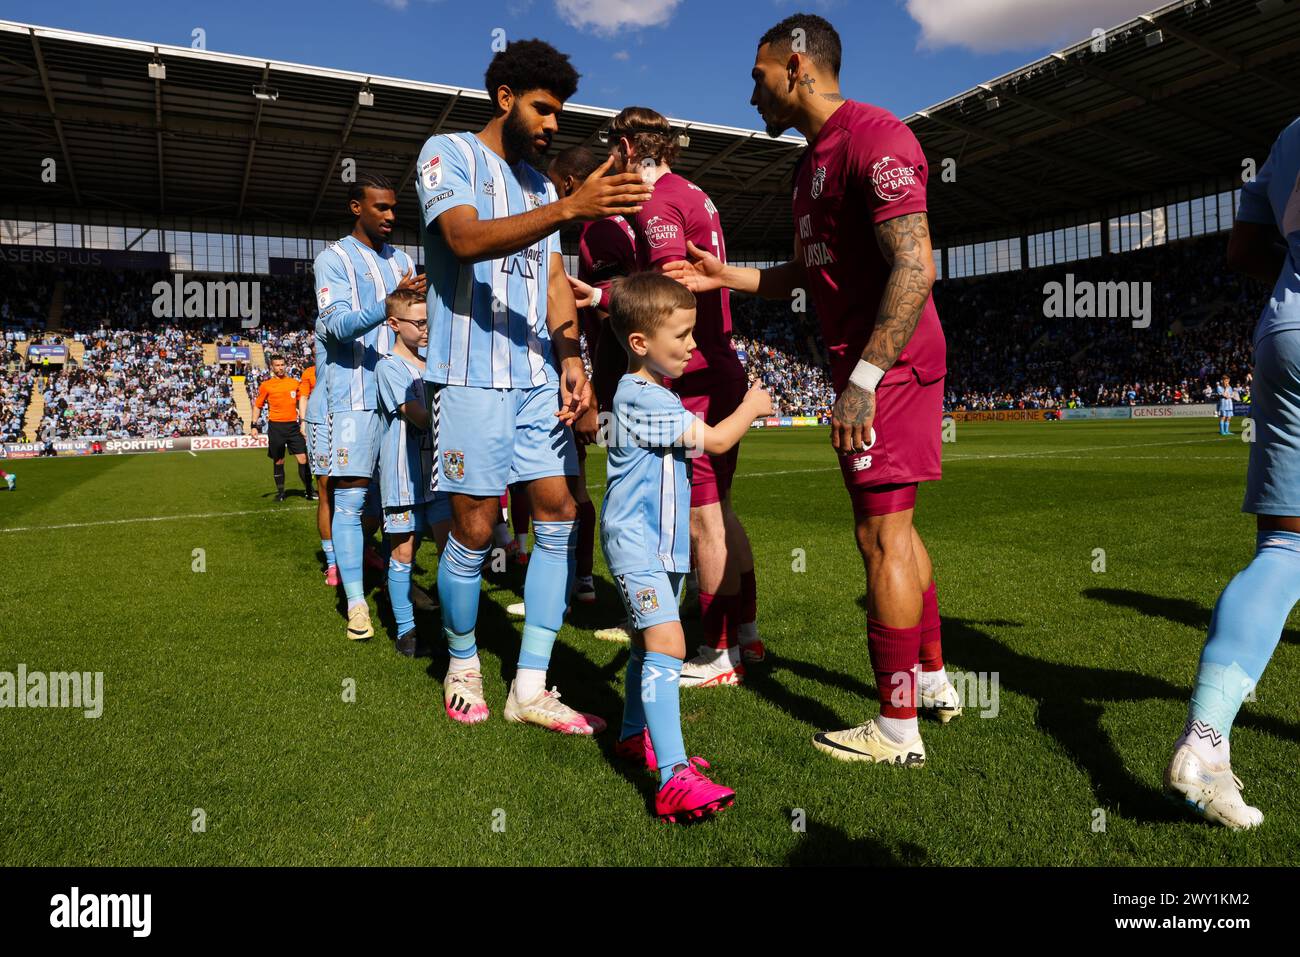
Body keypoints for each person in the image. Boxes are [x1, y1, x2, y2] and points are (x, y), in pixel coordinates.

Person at [666, 14, 963, 764]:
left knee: (879, 536)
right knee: (896, 522)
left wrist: (864, 378)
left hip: (885, 366)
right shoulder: (807, 166)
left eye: (759, 75)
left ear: (796, 66)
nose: (752, 92)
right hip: (866, 363)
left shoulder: (878, 138)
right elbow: (804, 273)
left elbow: (915, 266)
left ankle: (896, 730)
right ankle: (931, 678)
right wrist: (721, 274)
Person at [414, 38, 651, 732]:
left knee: (558, 514)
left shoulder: (543, 187)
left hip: (535, 379)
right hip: (468, 378)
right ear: (505, 98)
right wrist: (571, 211)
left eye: (560, 114)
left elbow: (552, 283)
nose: (553, 126)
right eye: (544, 110)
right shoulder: (446, 154)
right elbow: (461, 239)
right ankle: (461, 662)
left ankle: (530, 683)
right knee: (477, 526)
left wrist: (572, 359)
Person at [1164, 114, 1300, 829]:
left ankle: (1208, 742)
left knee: (1284, 550)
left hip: (1287, 329)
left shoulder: (1289, 136)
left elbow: (1243, 247)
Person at [602, 271, 772, 821]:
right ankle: (674, 777)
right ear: (640, 344)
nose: (693, 345)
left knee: (647, 645)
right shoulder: (640, 395)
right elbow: (719, 440)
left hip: (663, 545)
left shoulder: (652, 393)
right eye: (682, 335)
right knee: (670, 645)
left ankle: (633, 735)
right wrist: (752, 404)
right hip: (637, 544)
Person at [612, 105, 763, 685]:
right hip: (718, 363)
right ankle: (745, 636)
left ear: (627, 148)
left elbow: (672, 280)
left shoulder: (656, 201)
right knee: (721, 511)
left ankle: (718, 652)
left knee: (703, 518)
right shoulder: (693, 191)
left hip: (697, 371)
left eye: (613, 149)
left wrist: (607, 300)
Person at [314, 172, 425, 641]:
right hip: (354, 395)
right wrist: (389, 304)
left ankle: (399, 577)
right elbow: (336, 326)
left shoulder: (402, 258)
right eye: (381, 208)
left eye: (395, 209)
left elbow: (414, 318)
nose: (391, 217)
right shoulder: (333, 258)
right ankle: (357, 602)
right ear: (356, 208)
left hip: (399, 391)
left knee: (401, 499)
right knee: (352, 496)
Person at [549, 144, 638, 642]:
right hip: (630, 376)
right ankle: (586, 585)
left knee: (607, 491)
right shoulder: (624, 223)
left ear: (568, 185)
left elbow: (612, 310)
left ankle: (607, 595)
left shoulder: (598, 228)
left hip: (621, 380)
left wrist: (598, 392)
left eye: (557, 184)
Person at [375, 288, 451, 657]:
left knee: (452, 552)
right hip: (404, 479)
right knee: (403, 554)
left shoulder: (432, 363)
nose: (425, 329)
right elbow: (419, 417)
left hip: (438, 478)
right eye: (418, 322)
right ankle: (406, 631)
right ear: (394, 324)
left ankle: (456, 626)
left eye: (428, 322)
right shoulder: (388, 367)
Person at [300, 350, 338, 586]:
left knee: (365, 495)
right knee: (326, 492)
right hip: (322, 424)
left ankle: (362, 552)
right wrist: (304, 422)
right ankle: (333, 562)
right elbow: (303, 396)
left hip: (356, 423)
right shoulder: (312, 373)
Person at [253, 355, 312, 501]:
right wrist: (254, 425)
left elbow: (302, 403)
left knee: (303, 459)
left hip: (293, 426)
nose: (280, 367)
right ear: (272, 367)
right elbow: (257, 406)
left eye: (282, 364)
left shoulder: (294, 383)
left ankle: (309, 491)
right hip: (276, 427)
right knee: (279, 461)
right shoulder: (266, 385)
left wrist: (306, 421)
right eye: (277, 365)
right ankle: (281, 493)